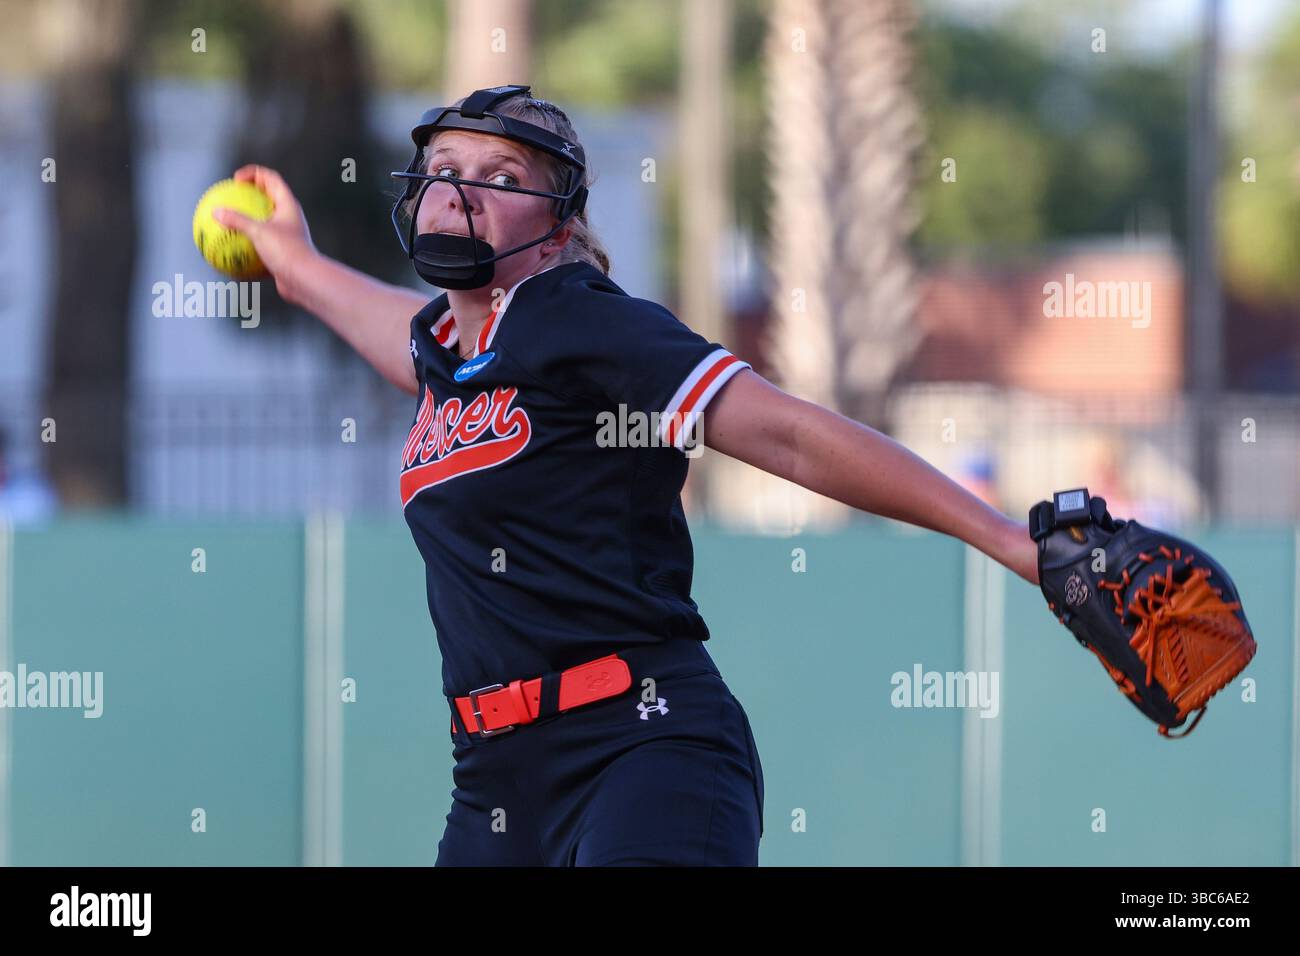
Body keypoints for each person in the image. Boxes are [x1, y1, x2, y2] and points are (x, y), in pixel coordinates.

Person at [214, 84, 1040, 867]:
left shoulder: (575, 315)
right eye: (445, 171)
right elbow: (403, 334)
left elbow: (787, 434)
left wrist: (1010, 539)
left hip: (643, 744)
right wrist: (292, 266)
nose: (461, 191)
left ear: (559, 227)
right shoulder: (452, 354)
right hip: (494, 780)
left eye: (502, 177)